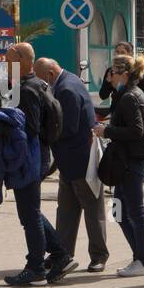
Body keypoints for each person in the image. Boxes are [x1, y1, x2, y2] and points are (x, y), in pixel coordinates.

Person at [1, 43, 75, 286]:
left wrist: (4, 125)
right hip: (38, 156)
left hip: (29, 157)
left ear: (22, 60)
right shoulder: (39, 84)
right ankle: (59, 254)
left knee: (29, 215)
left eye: (8, 60)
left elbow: (29, 128)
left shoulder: (26, 89)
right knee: (30, 211)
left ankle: (35, 267)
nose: (5, 64)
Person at [38, 57, 109, 273]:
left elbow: (66, 128)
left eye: (43, 81)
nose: (43, 86)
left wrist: (44, 134)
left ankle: (99, 256)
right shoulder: (69, 80)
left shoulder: (66, 89)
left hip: (80, 161)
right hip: (69, 162)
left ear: (50, 74)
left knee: (92, 210)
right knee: (66, 211)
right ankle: (63, 254)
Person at [95, 53, 144, 277]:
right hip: (129, 160)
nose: (109, 77)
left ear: (122, 74)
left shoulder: (130, 96)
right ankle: (138, 257)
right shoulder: (128, 94)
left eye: (111, 73)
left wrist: (107, 131)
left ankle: (142, 260)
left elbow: (136, 131)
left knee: (135, 213)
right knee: (118, 211)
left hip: (132, 161)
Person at [99, 41, 144, 115]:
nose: (119, 55)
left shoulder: (137, 70)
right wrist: (108, 81)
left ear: (130, 54)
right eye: (117, 52)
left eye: (122, 52)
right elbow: (103, 95)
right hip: (117, 112)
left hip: (135, 112)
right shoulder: (111, 71)